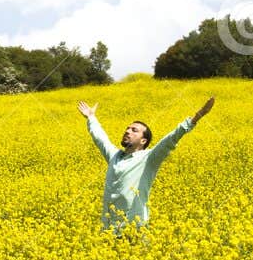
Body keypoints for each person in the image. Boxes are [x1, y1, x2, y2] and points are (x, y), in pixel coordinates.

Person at [76, 96, 214, 232]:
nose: (127, 131)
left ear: (143, 141)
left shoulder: (148, 159)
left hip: (133, 231)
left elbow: (170, 139)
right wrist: (91, 117)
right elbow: (100, 138)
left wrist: (196, 117)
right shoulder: (114, 156)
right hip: (108, 231)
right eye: (128, 128)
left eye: (134, 130)